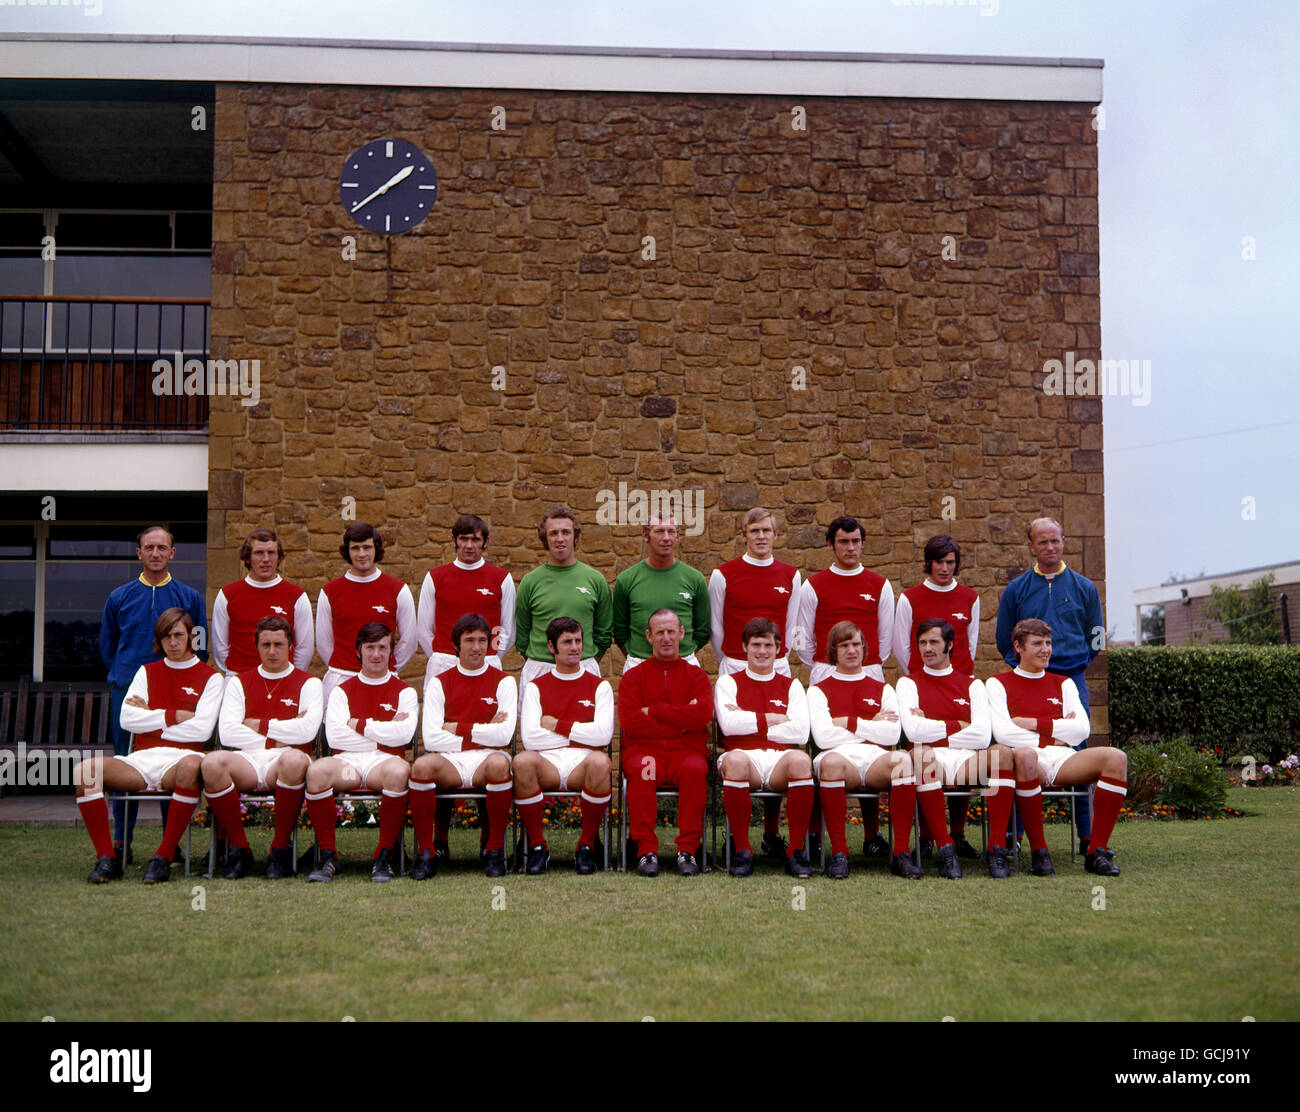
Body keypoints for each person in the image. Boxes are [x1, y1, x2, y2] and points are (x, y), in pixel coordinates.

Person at [75, 608, 222, 883]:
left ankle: (163, 858)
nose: (173, 642)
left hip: (182, 758)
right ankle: (107, 859)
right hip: (141, 758)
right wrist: (174, 715)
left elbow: (202, 728)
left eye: (178, 635)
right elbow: (127, 719)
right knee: (85, 770)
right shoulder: (146, 671)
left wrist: (150, 715)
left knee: (192, 765)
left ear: (191, 636)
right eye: (165, 636)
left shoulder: (211, 677)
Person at [995, 517, 1105, 852]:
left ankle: (1088, 836)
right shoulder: (1018, 589)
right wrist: (1023, 671)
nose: (1050, 547)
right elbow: (1003, 639)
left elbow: (1097, 636)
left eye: (1055, 541)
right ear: (1031, 546)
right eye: (1042, 542)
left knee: (1078, 750)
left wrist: (1077, 665)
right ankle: (1014, 836)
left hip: (1071, 678)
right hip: (1027, 681)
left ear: (1063, 541)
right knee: (1021, 753)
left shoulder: (1085, 587)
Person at [986, 619, 1127, 877]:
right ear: (1018, 647)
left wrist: (1032, 723)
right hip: (1027, 762)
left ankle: (1096, 852)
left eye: (1048, 643)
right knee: (1026, 755)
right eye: (1037, 643)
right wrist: (1057, 732)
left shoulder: (1064, 683)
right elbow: (1003, 732)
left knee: (1116, 758)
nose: (1045, 650)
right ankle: (1040, 852)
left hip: (1063, 760)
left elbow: (1081, 730)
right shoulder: (997, 683)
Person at [99, 525, 206, 859]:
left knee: (172, 763)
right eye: (149, 548)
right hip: (130, 691)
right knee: (125, 764)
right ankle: (121, 842)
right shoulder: (119, 597)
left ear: (172, 553)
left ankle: (169, 844)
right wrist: (128, 678)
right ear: (139, 553)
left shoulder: (189, 597)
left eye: (162, 548)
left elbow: (199, 648)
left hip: (175, 690)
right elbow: (108, 646)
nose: (156, 553)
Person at [794, 515, 895, 857]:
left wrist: (864, 665)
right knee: (825, 753)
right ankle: (816, 836)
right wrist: (825, 667)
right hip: (826, 673)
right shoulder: (814, 585)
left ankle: (871, 835)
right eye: (843, 542)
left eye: (855, 541)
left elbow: (886, 637)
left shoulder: (880, 584)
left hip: (868, 672)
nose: (850, 548)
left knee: (871, 747)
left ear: (863, 543)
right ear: (831, 545)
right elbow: (804, 638)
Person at [708, 506, 802, 859]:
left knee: (777, 743)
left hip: (776, 666)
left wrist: (776, 658)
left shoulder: (791, 575)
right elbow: (717, 628)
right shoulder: (724, 573)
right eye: (754, 531)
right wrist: (733, 659)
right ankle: (738, 836)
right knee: (741, 743)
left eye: (767, 530)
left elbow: (792, 626)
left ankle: (773, 833)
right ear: (743, 535)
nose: (761, 536)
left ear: (776, 536)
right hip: (735, 664)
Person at [202, 615, 323, 879]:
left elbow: (307, 732)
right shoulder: (238, 683)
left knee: (295, 759)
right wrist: (281, 734)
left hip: (285, 760)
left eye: (278, 644)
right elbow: (229, 732)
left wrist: (259, 724)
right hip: (247, 759)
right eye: (265, 644)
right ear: (256, 646)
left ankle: (279, 850)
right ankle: (239, 849)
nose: (272, 651)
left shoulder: (310, 683)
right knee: (211, 763)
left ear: (290, 645)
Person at [896, 618, 1018, 879]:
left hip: (965, 761)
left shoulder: (973, 684)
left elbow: (983, 736)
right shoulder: (908, 683)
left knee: (1002, 753)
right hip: (927, 760)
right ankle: (945, 849)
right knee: (921, 753)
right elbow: (914, 732)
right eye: (922, 643)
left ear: (949, 645)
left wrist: (931, 725)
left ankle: (996, 849)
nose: (927, 648)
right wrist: (959, 725)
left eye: (934, 642)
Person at [808, 621, 922, 879]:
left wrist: (848, 722)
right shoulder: (817, 690)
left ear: (864, 648)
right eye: (844, 645)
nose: (851, 650)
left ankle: (900, 853)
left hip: (874, 759)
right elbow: (824, 737)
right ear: (833, 651)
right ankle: (839, 852)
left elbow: (892, 734)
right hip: (837, 756)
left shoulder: (883, 688)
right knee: (832, 763)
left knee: (903, 760)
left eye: (856, 644)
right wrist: (872, 723)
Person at [304, 623, 417, 883]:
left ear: (390, 651)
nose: (376, 654)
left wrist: (359, 724)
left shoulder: (406, 691)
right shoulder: (341, 691)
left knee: (399, 771)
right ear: (359, 651)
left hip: (386, 762)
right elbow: (335, 736)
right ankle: (328, 856)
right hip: (348, 762)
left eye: (382, 647)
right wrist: (385, 732)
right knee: (317, 770)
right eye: (370, 648)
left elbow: (404, 735)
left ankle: (384, 856)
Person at [409, 614, 518, 879]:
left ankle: (493, 851)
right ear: (456, 645)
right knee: (422, 766)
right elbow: (432, 737)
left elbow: (504, 734)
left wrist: (457, 727)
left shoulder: (504, 681)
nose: (477, 647)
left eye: (482, 640)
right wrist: (484, 728)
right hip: (450, 760)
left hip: (487, 758)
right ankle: (427, 852)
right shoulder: (440, 682)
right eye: (469, 640)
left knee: (500, 763)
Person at [893, 534, 982, 856]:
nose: (944, 568)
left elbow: (970, 644)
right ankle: (928, 836)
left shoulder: (970, 597)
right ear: (928, 563)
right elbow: (901, 646)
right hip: (923, 685)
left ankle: (957, 834)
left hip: (960, 687)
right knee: (923, 754)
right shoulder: (910, 597)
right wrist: (919, 677)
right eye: (938, 561)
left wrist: (958, 679)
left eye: (950, 562)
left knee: (963, 759)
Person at [714, 618, 814, 878]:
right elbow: (728, 726)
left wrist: (748, 719)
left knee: (802, 761)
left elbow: (801, 731)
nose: (762, 651)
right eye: (756, 644)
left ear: (778, 648)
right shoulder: (728, 682)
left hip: (781, 758)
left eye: (768, 645)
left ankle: (795, 852)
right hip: (743, 757)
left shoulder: (790, 685)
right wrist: (774, 718)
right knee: (734, 760)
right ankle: (743, 851)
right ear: (745, 647)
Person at [616, 609, 713, 877]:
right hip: (645, 752)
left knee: (695, 771)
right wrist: (682, 721)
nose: (666, 638)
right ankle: (646, 850)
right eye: (660, 632)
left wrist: (655, 711)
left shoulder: (697, 677)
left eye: (671, 631)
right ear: (649, 636)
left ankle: (688, 849)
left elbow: (702, 716)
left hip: (686, 753)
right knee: (643, 773)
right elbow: (631, 723)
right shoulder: (633, 677)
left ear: (682, 633)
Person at [514, 617, 613, 875]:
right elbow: (531, 738)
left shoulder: (599, 685)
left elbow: (603, 735)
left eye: (578, 640)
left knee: (601, 762)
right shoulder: (537, 687)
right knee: (522, 761)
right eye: (567, 642)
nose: (574, 647)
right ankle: (537, 847)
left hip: (584, 762)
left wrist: (558, 724)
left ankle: (587, 846)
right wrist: (582, 733)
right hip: (548, 762)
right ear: (551, 647)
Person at [514, 506, 612, 709]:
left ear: (575, 537)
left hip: (583, 667)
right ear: (545, 539)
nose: (560, 538)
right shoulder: (530, 582)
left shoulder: (594, 580)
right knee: (539, 733)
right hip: (541, 668)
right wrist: (540, 656)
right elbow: (522, 632)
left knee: (584, 730)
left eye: (566, 532)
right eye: (553, 533)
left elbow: (604, 631)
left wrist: (589, 658)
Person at [315, 522, 417, 707]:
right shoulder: (330, 591)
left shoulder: (397, 590)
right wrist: (347, 666)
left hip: (383, 680)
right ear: (348, 552)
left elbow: (409, 641)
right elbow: (324, 644)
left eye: (367, 547)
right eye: (355, 548)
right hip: (341, 679)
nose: (362, 554)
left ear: (376, 549)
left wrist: (380, 666)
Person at [416, 513, 515, 684]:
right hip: (444, 664)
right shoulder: (435, 577)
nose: (469, 545)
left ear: (486, 542)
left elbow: (507, 630)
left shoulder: (501, 578)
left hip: (486, 662)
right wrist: (441, 657)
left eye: (475, 540)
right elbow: (424, 630)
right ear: (454, 540)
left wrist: (488, 656)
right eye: (463, 539)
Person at [211, 527, 314, 676]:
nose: (266, 559)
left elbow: (304, 648)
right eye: (259, 553)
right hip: (238, 679)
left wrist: (289, 677)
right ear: (247, 558)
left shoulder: (296, 596)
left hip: (282, 680)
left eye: (271, 553)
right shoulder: (227, 594)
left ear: (278, 557)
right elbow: (220, 646)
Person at [612, 515, 710, 671]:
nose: (666, 538)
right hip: (639, 663)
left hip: (684, 663)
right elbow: (620, 632)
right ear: (645, 535)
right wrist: (639, 656)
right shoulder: (626, 580)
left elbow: (703, 630)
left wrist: (683, 654)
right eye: (658, 531)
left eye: (671, 531)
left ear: (677, 536)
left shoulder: (695, 579)